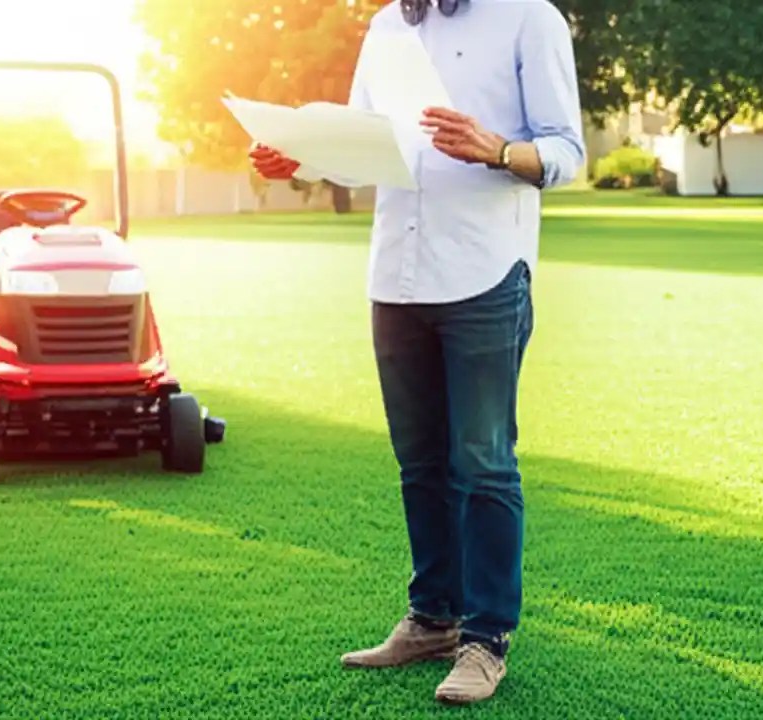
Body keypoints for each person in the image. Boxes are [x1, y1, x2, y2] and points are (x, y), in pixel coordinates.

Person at [250, 0, 585, 706]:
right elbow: (362, 149)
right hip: (396, 275)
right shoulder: (387, 27)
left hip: (485, 272)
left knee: (484, 462)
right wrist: (303, 158)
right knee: (421, 463)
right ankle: (433, 619)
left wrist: (494, 149)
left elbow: (566, 152)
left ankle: (486, 638)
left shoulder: (531, 18)